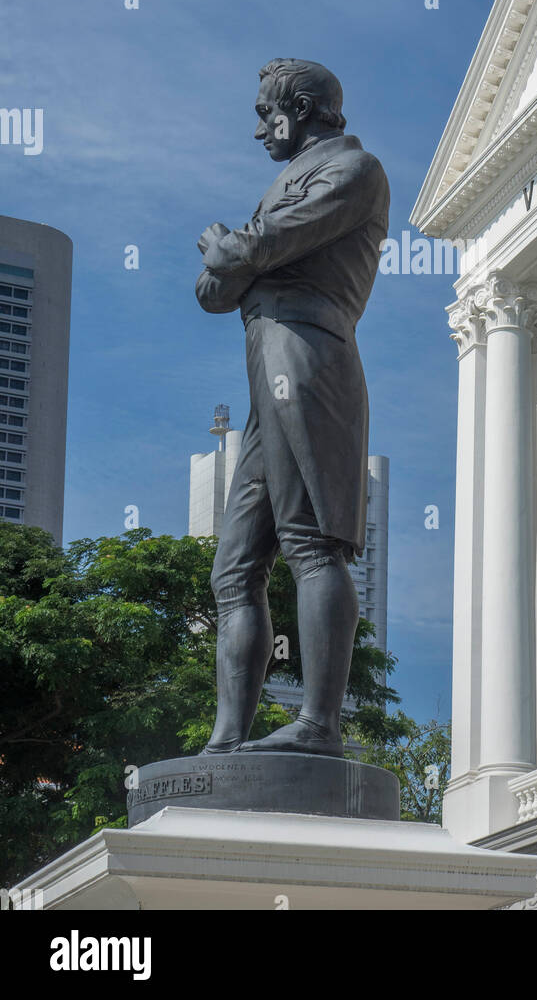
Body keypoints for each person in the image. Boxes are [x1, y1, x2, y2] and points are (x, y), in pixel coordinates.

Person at [195, 57, 389, 756]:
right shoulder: (285, 183)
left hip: (309, 355)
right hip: (265, 363)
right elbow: (214, 290)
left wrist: (234, 249)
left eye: (265, 113)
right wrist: (234, 256)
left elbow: (261, 247)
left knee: (311, 541)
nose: (257, 131)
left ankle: (318, 726)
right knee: (235, 568)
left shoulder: (354, 171)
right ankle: (226, 741)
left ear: (303, 108)